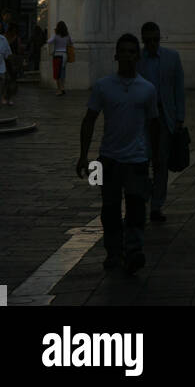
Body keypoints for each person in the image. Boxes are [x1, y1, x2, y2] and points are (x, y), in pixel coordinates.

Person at [77, 33, 160, 274]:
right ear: (116, 55)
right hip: (109, 158)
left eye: (132, 52)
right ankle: (114, 252)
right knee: (110, 209)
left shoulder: (147, 89)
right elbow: (89, 119)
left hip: (137, 159)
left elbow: (153, 124)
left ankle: (134, 250)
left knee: (136, 207)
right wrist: (84, 155)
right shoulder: (104, 86)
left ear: (138, 56)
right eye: (123, 51)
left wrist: (154, 158)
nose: (127, 56)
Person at [139, 23, 186, 222]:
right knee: (141, 162)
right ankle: (143, 198)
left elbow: (178, 89)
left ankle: (156, 206)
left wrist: (179, 118)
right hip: (143, 118)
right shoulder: (136, 59)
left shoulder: (172, 57)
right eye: (147, 40)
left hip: (163, 116)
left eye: (155, 39)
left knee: (161, 163)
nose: (151, 44)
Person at [47, 20, 73, 96]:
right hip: (64, 55)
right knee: (62, 73)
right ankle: (63, 88)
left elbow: (49, 41)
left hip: (57, 55)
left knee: (57, 73)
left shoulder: (56, 35)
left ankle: (59, 90)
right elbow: (71, 43)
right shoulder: (67, 35)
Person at [2, 19, 23, 105]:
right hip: (5, 60)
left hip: (14, 61)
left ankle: (10, 97)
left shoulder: (17, 39)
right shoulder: (4, 38)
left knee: (12, 81)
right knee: (6, 79)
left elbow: (19, 50)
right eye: (13, 30)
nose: (14, 32)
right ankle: (4, 96)